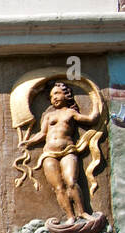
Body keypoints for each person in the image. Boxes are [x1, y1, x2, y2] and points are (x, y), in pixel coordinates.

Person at [19, 81, 100, 223]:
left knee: (71, 181)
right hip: (49, 153)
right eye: (51, 96)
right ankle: (70, 216)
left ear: (66, 95)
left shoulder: (70, 112)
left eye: (57, 93)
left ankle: (82, 212)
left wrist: (98, 103)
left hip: (68, 151)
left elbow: (91, 119)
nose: (54, 98)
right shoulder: (49, 116)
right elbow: (42, 134)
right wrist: (29, 141)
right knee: (58, 187)